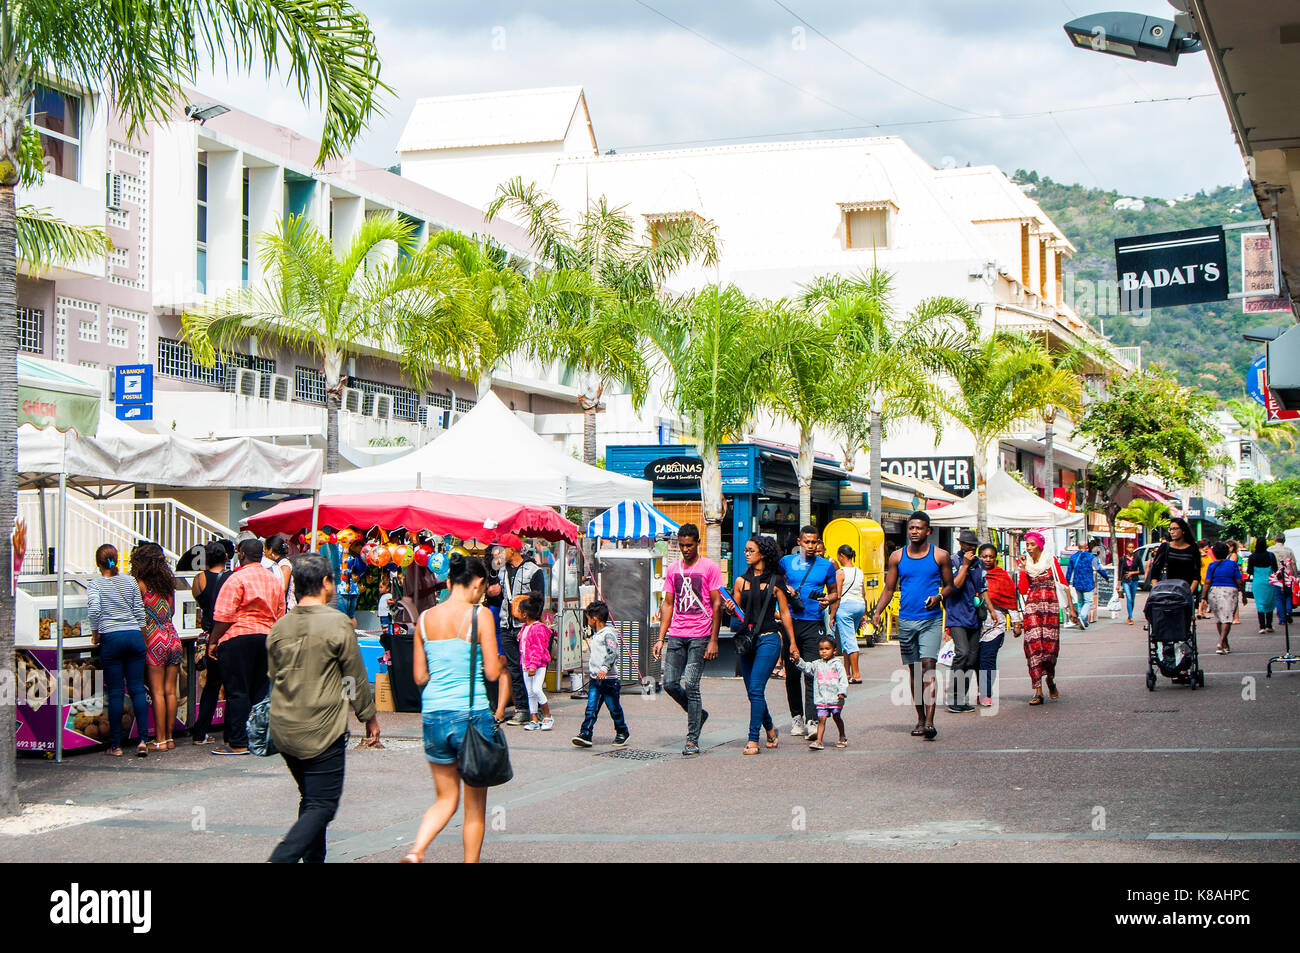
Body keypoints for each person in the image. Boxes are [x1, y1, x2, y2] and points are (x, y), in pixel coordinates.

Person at [267, 553, 380, 863]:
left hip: (284, 728)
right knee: (323, 804)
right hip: (321, 730)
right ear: (326, 583)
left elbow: (273, 675)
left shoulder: (280, 627)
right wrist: (368, 717)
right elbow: (354, 675)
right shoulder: (337, 623)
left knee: (312, 800)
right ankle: (282, 858)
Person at [404, 552, 502, 863]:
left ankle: (416, 850)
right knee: (474, 809)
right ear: (477, 584)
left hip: (434, 715)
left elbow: (419, 676)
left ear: (449, 581)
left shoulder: (424, 619)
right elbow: (491, 673)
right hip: (471, 716)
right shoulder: (480, 615)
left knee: (445, 799)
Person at [870, 512, 954, 740]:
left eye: (919, 528)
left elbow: (950, 585)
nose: (914, 531)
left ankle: (929, 721)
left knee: (929, 667)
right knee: (915, 672)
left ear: (928, 531)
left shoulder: (940, 556)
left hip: (931, 620)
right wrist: (877, 612)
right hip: (906, 621)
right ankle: (919, 717)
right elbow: (889, 588)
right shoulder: (897, 556)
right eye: (911, 528)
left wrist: (938, 597)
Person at [210, 537, 286, 755]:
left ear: (241, 555)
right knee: (259, 692)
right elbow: (280, 614)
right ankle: (257, 740)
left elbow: (224, 616)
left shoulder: (236, 578)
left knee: (237, 691)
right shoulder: (273, 581)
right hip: (266, 638)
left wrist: (213, 641)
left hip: (238, 637)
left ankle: (238, 742)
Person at [653, 523, 722, 756]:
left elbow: (716, 603)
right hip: (677, 634)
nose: (685, 549)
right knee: (670, 683)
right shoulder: (673, 569)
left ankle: (692, 739)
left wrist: (714, 639)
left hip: (700, 635)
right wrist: (660, 638)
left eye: (689, 545)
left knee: (692, 684)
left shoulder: (710, 568)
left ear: (698, 543)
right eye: (682, 545)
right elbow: (668, 604)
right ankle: (698, 713)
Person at [724, 535, 796, 755]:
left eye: (750, 550)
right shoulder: (740, 581)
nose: (746, 554)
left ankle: (753, 739)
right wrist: (729, 608)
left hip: (769, 638)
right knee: (752, 691)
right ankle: (770, 728)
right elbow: (736, 612)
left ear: (762, 553)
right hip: (746, 641)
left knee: (756, 689)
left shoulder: (776, 581)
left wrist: (792, 643)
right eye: (745, 550)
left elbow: (784, 613)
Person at [87, 544, 151, 757]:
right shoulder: (130, 580)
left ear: (98, 563)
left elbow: (95, 609)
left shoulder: (95, 584)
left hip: (112, 638)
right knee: (137, 690)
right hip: (134, 636)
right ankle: (143, 741)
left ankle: (116, 746)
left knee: (115, 693)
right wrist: (141, 637)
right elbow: (139, 611)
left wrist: (96, 632)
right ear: (117, 559)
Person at [779, 526, 840, 737]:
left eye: (815, 542)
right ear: (799, 542)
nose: (811, 546)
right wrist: (786, 593)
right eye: (807, 542)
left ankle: (812, 720)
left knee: (813, 673)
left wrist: (828, 600)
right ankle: (796, 718)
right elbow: (776, 585)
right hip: (790, 623)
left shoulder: (827, 566)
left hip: (814, 624)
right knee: (792, 674)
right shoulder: (786, 562)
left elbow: (834, 593)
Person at [131, 543, 182, 752]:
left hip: (154, 640)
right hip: (173, 637)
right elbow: (171, 611)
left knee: (157, 692)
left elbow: (137, 614)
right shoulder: (169, 584)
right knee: (171, 691)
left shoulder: (140, 584)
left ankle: (159, 740)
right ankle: (169, 738)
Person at [490, 535, 544, 726]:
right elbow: (501, 600)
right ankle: (522, 709)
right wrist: (493, 595)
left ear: (512, 550)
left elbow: (540, 601)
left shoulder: (533, 571)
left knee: (530, 668)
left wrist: (530, 626)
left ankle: (535, 708)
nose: (500, 553)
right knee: (514, 668)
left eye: (503, 549)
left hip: (525, 627)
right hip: (506, 625)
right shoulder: (501, 572)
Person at [1016, 531, 1076, 705]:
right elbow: (1022, 589)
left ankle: (1050, 679)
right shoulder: (1026, 564)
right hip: (1032, 608)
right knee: (1033, 646)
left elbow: (1064, 584)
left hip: (1050, 609)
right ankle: (1038, 690)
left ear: (1040, 545)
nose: (1029, 548)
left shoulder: (1051, 561)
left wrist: (1072, 610)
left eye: (1032, 544)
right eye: (1027, 545)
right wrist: (1022, 569)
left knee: (1049, 650)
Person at [572, 601, 629, 748]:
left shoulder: (608, 634)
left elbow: (613, 652)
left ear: (595, 618)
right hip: (595, 679)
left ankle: (622, 731)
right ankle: (585, 733)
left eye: (588, 618)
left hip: (609, 680)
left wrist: (604, 668)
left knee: (614, 708)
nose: (588, 621)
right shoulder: (598, 634)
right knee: (591, 708)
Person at [190, 541, 231, 745]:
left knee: (211, 686)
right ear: (225, 558)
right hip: (227, 635)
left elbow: (199, 600)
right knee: (232, 685)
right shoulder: (230, 579)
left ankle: (199, 733)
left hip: (208, 634)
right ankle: (232, 732)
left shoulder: (199, 580)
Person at [945, 528, 985, 713]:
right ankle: (953, 696)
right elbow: (955, 586)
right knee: (962, 653)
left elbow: (982, 588)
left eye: (974, 545)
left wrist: (991, 610)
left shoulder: (979, 564)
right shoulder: (953, 561)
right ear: (961, 544)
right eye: (969, 545)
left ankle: (962, 697)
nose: (972, 549)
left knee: (972, 658)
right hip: (956, 615)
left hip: (973, 615)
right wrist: (965, 566)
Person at [978, 543, 1018, 707]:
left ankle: (986, 694)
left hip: (995, 626)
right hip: (974, 625)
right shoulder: (973, 573)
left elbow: (1010, 600)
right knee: (974, 660)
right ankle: (980, 690)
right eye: (984, 556)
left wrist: (1016, 623)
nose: (987, 559)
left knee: (988, 659)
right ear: (979, 556)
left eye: (991, 556)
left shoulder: (1002, 576)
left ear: (995, 558)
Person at [793, 636, 848, 750]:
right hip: (821, 698)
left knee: (837, 717)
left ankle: (842, 736)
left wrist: (842, 692)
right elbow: (807, 668)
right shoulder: (817, 664)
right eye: (821, 649)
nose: (823, 651)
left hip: (835, 698)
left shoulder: (837, 664)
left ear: (834, 650)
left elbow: (843, 679)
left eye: (827, 649)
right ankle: (819, 741)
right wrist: (799, 661)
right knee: (821, 719)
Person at [518, 593, 554, 731]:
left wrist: (533, 665)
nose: (518, 614)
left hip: (537, 665)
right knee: (530, 692)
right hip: (526, 664)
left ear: (525, 614)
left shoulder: (538, 628)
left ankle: (547, 715)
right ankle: (533, 719)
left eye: (520, 612)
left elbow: (538, 648)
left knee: (536, 689)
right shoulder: (526, 627)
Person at [1144, 518, 1203, 602]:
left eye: (1175, 528)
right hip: (1167, 593)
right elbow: (1155, 571)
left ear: (1183, 530)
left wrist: (1189, 593)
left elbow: (1196, 575)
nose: (1172, 532)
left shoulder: (1193, 549)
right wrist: (1157, 591)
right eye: (1170, 529)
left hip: (1186, 593)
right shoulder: (1165, 547)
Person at [1201, 541, 1243, 655]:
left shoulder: (1212, 565)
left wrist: (1203, 597)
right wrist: (1243, 593)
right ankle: (1221, 642)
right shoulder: (1232, 565)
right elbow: (1239, 580)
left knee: (1219, 618)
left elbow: (1207, 582)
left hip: (1214, 591)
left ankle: (1225, 643)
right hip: (1230, 591)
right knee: (1228, 618)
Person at [833, 544, 866, 683]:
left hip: (845, 607)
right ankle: (846, 672)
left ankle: (856, 674)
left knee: (850, 641)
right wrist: (863, 613)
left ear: (842, 556)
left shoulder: (840, 572)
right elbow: (863, 592)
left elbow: (838, 595)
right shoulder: (859, 571)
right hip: (859, 605)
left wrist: (832, 613)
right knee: (847, 638)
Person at [1248, 538, 1278, 632]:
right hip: (1269, 582)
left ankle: (1262, 626)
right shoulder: (1270, 555)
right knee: (1270, 602)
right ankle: (1269, 625)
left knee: (1259, 604)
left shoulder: (1252, 556)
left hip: (1257, 582)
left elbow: (1249, 571)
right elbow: (1275, 569)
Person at [1064, 541, 1097, 628]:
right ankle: (1082, 617)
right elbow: (1098, 568)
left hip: (1077, 582)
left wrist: (1066, 582)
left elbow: (1069, 571)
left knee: (1081, 601)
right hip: (1088, 582)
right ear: (1087, 547)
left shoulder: (1073, 557)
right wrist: (1106, 577)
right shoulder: (1091, 557)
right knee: (1088, 601)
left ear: (1078, 547)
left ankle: (1084, 622)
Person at [1270, 533, 1296, 625]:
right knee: (1288, 595)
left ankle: (1282, 618)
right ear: (1284, 540)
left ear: (1275, 540)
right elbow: (1293, 564)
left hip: (1276, 575)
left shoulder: (1270, 550)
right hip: (1287, 575)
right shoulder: (1288, 550)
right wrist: (1295, 576)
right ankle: (1288, 611)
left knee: (1278, 597)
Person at [262, 533, 295, 609]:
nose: (265, 554)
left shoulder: (284, 565)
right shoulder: (274, 564)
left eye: (265, 550)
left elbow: (282, 588)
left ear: (270, 550)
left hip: (285, 607)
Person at [336, 539, 366, 621]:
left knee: (342, 617)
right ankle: (352, 633)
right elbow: (362, 568)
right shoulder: (358, 547)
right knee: (351, 617)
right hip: (353, 588)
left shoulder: (341, 544)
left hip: (343, 588)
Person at [1118, 548, 1143, 626]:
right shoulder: (1122, 559)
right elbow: (1120, 571)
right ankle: (1131, 617)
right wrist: (1118, 583)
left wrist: (1132, 573)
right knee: (1128, 598)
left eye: (1132, 547)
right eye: (1129, 547)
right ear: (1126, 548)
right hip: (1126, 581)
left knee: (1132, 599)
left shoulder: (1137, 558)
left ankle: (1129, 615)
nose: (1131, 549)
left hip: (1134, 580)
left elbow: (1142, 571)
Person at [1195, 538, 1213, 619]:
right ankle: (1200, 611)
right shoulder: (1198, 557)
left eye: (1208, 547)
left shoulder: (1209, 557)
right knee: (1202, 596)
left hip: (1208, 579)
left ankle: (1203, 612)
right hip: (1201, 580)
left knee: (1205, 597)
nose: (1207, 549)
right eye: (1205, 547)